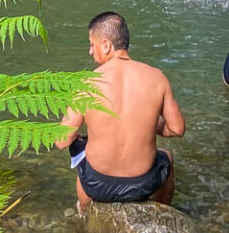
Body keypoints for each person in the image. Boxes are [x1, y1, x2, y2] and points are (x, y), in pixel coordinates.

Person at [55, 11, 185, 209]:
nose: (90, 51)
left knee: (81, 151)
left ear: (106, 45)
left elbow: (61, 141)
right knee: (166, 156)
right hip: (144, 184)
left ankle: (83, 209)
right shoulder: (157, 77)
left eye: (92, 44)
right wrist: (151, 123)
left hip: (97, 185)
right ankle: (161, 210)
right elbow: (177, 129)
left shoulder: (87, 82)